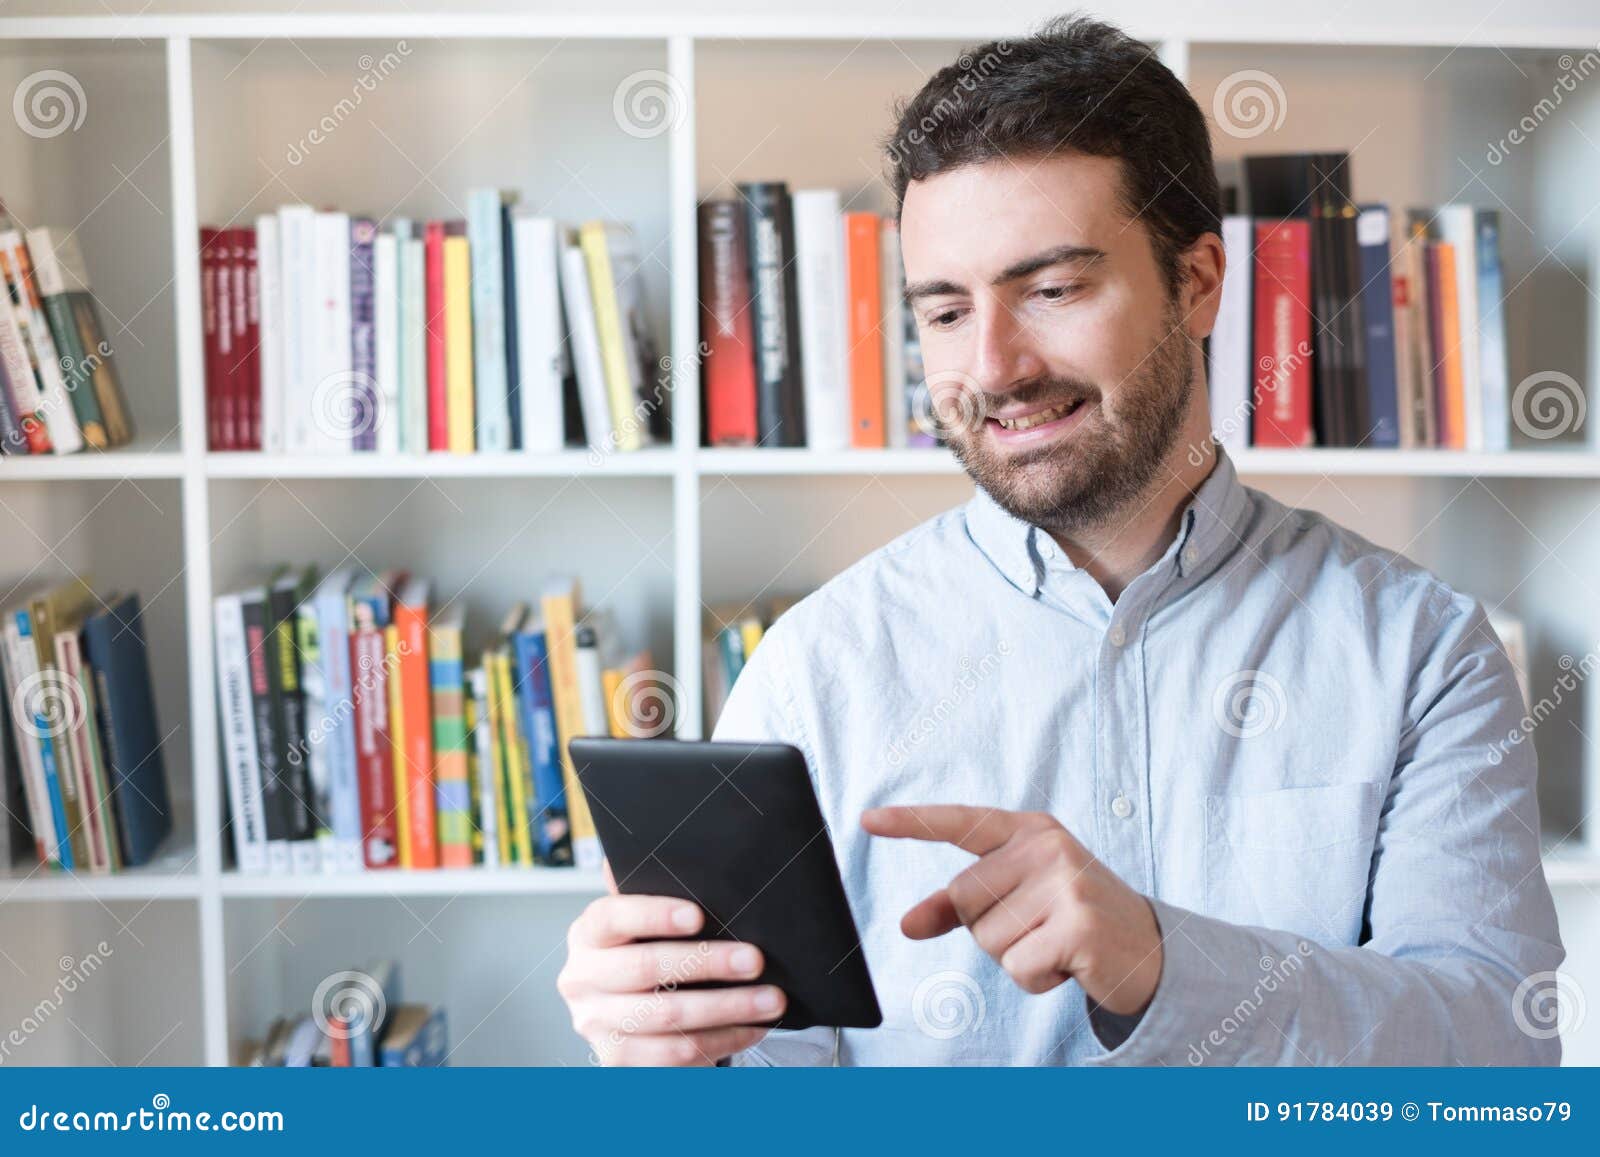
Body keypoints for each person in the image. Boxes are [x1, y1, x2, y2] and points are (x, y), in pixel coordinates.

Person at [557, 14, 1564, 1066]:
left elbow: (1499, 1054)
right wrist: (674, 1052)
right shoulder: (815, 670)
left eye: (1050, 289)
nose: (993, 366)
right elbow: (776, 1085)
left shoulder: (1423, 652)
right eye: (944, 311)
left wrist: (1166, 965)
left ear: (1199, 282)